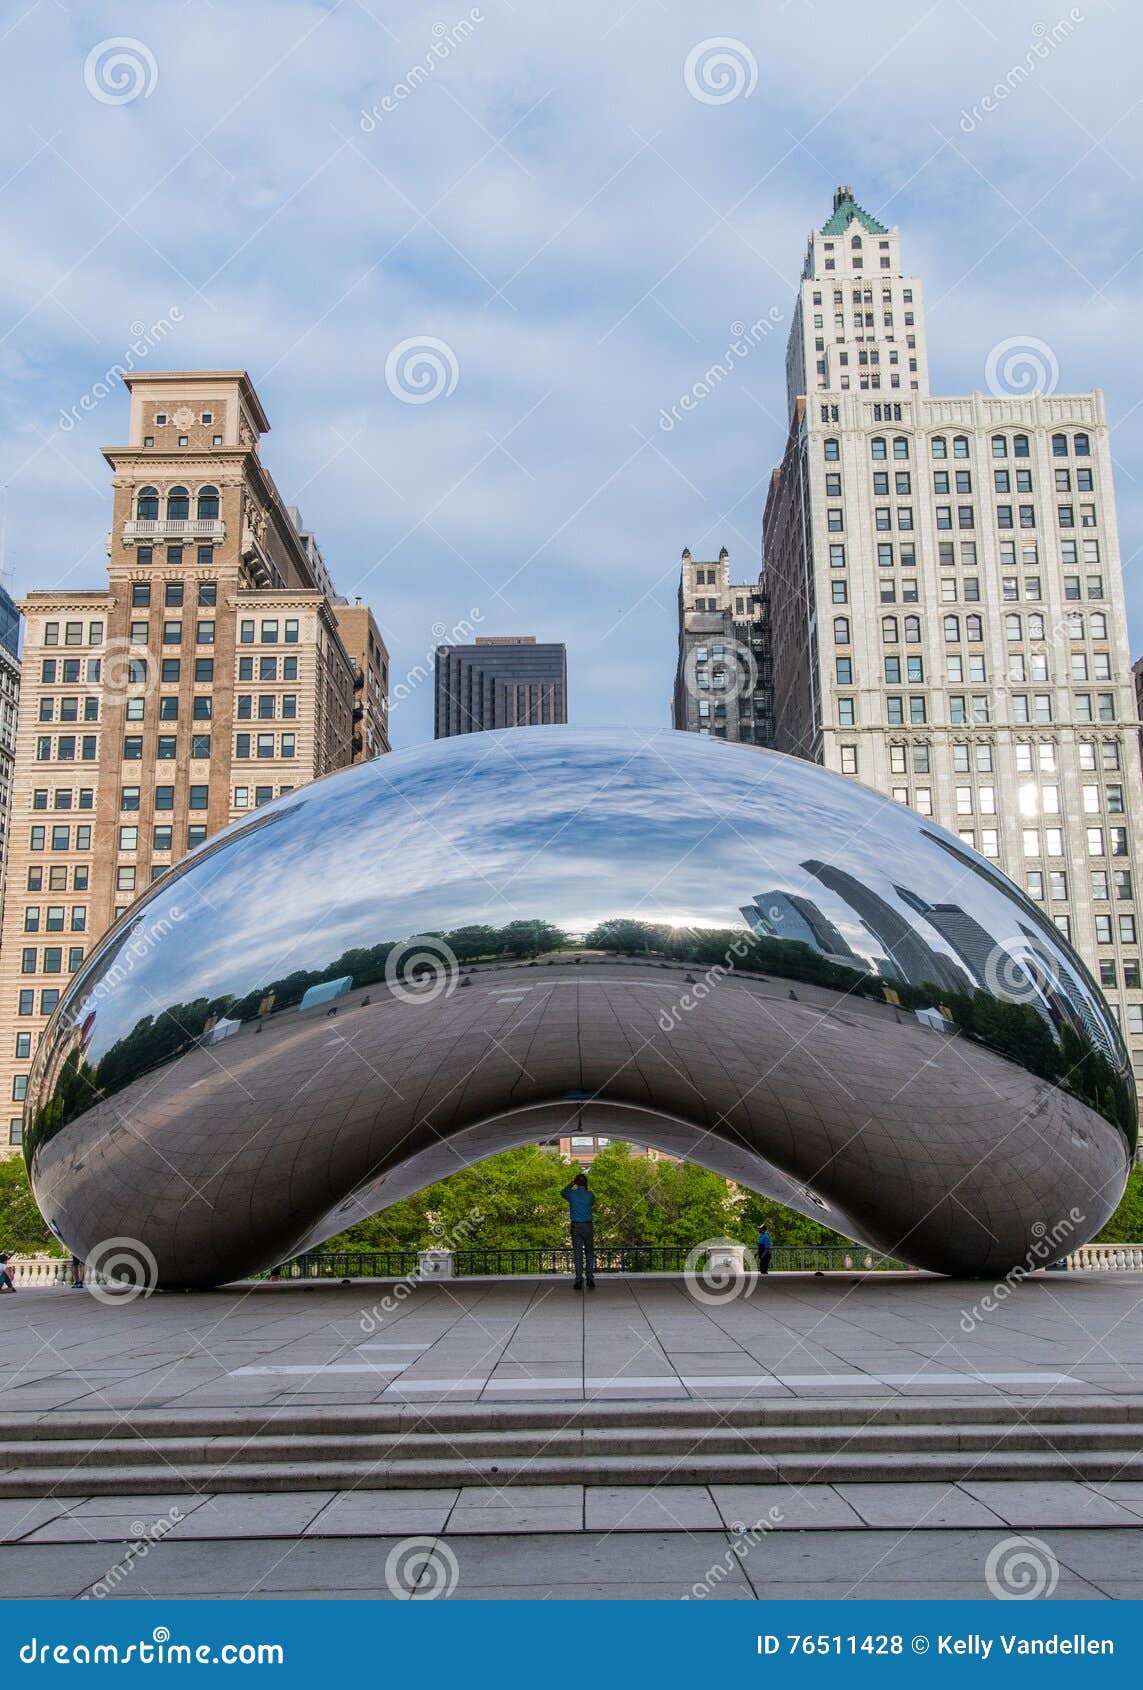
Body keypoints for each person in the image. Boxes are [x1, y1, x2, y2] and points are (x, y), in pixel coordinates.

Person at [560, 1172, 596, 1291]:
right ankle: (590, 1278)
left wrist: (571, 1184)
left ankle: (578, 1280)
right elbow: (591, 1203)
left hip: (576, 1227)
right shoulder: (590, 1195)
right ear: (586, 1183)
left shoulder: (571, 1194)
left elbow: (562, 1192)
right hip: (588, 1226)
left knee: (578, 1254)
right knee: (589, 1253)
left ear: (576, 1183)